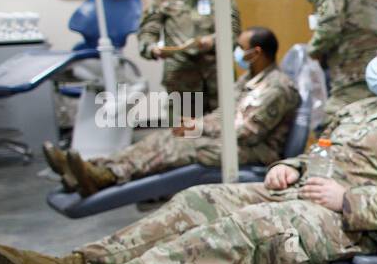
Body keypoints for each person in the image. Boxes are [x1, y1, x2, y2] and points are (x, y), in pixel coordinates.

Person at [0, 27, 377, 264]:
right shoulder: (361, 109)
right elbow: (320, 149)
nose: (373, 64)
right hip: (303, 195)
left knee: (245, 229)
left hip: (355, 227)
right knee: (200, 199)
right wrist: (288, 166)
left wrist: (347, 200)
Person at [44, 27, 300, 195]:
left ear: (256, 53)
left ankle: (107, 176)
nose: (236, 52)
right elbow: (223, 116)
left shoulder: (277, 87)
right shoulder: (246, 80)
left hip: (257, 151)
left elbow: (248, 132)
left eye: (240, 47)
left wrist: (199, 129)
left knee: (184, 147)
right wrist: (195, 125)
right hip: (233, 140)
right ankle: (90, 168)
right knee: (168, 136)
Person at [136, 0, 242, 116]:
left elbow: (234, 29)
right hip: (181, 76)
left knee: (222, 131)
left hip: (216, 74)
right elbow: (148, 28)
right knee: (186, 135)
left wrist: (214, 41)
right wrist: (152, 48)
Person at [291, 0, 377, 122]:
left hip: (348, 74)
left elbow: (329, 28)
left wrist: (312, 52)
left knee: (336, 123)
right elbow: (346, 14)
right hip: (374, 72)